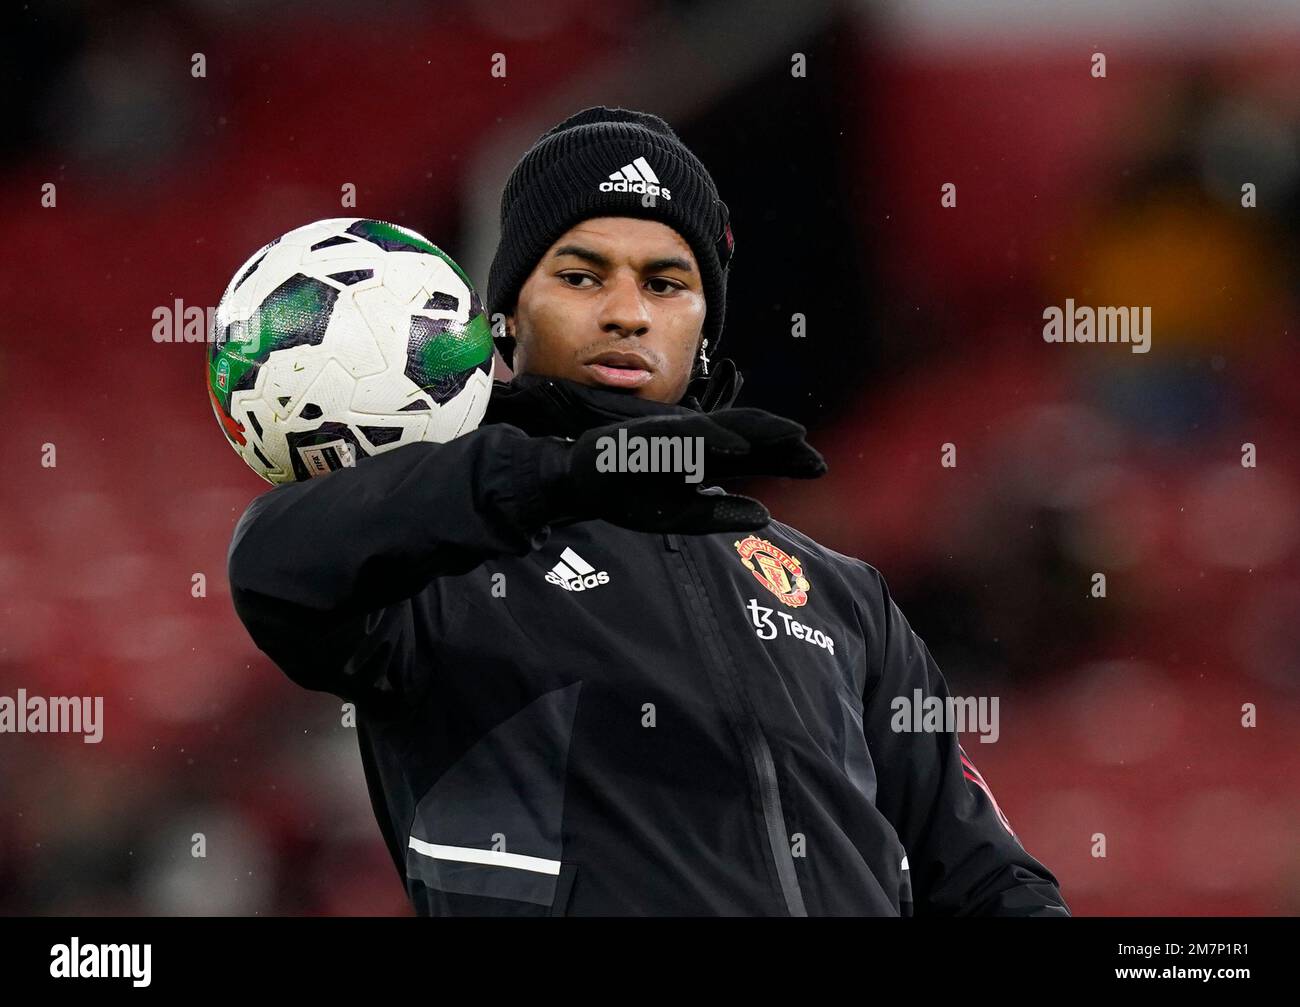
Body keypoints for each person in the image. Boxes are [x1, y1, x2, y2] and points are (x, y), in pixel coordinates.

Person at [227, 106, 1069, 916]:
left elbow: (988, 882)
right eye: (581, 275)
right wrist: (573, 471)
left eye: (667, 282)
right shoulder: (438, 559)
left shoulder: (841, 596)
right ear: (505, 323)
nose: (627, 312)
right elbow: (277, 567)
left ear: (707, 330)